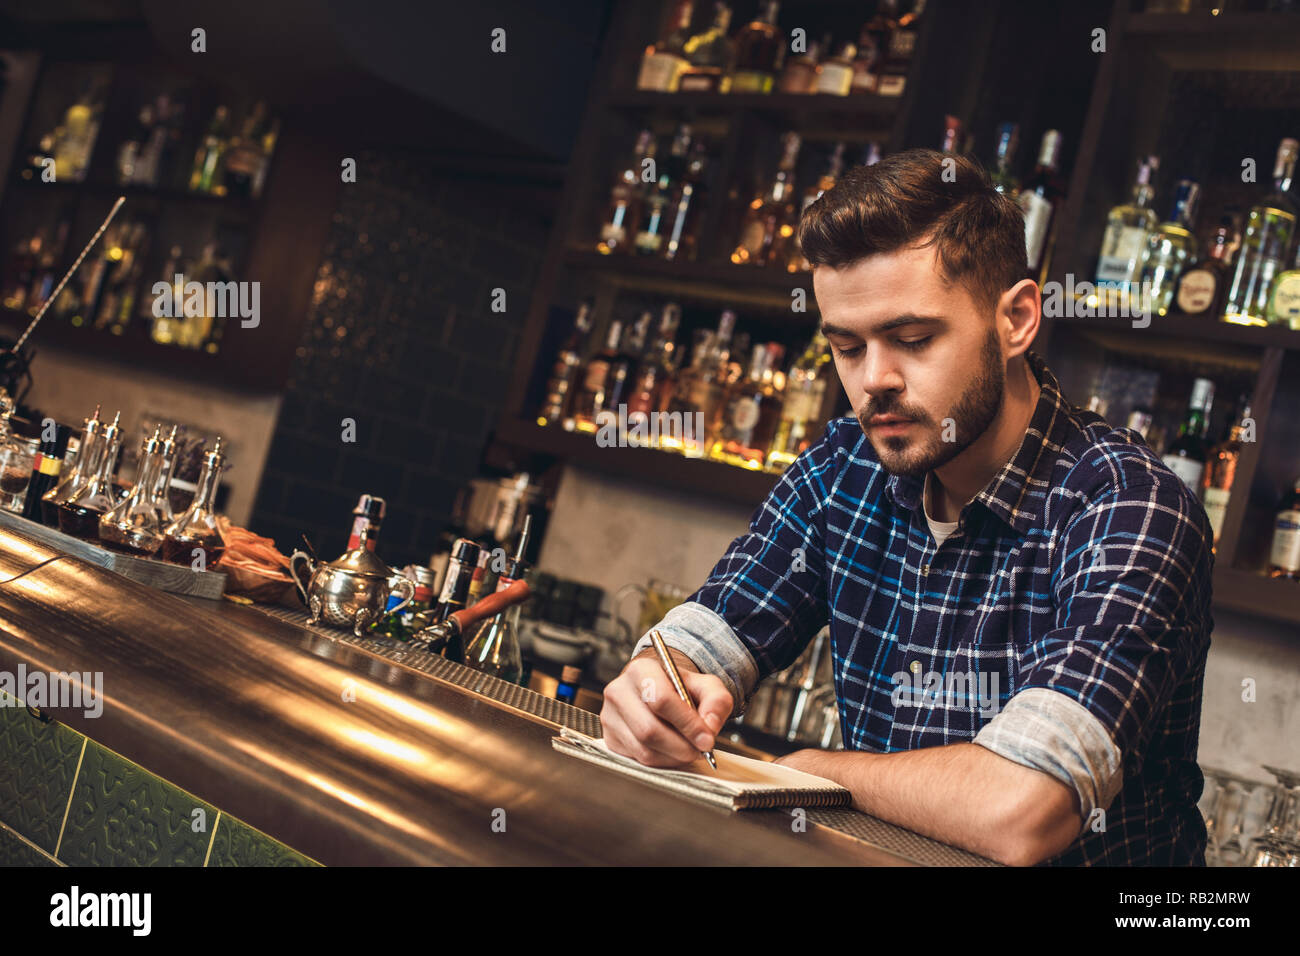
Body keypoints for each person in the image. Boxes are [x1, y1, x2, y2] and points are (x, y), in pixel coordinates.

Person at [599, 149, 1213, 867]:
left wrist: (812, 773)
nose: (874, 381)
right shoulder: (844, 466)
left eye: (913, 340)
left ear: (1015, 319)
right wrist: (653, 688)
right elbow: (701, 642)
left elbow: (1023, 810)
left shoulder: (1129, 508)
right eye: (846, 347)